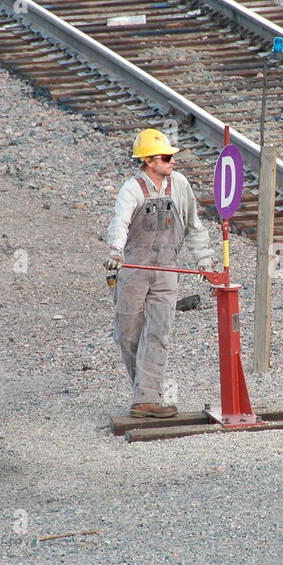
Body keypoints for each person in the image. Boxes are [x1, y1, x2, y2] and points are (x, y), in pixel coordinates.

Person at [106, 128, 216, 418]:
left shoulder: (179, 185)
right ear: (148, 162)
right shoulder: (132, 189)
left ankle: (147, 399)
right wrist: (116, 251)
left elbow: (193, 226)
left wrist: (205, 261)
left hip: (167, 270)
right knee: (129, 334)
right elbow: (120, 224)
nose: (172, 162)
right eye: (166, 157)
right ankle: (144, 394)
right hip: (133, 270)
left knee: (157, 333)